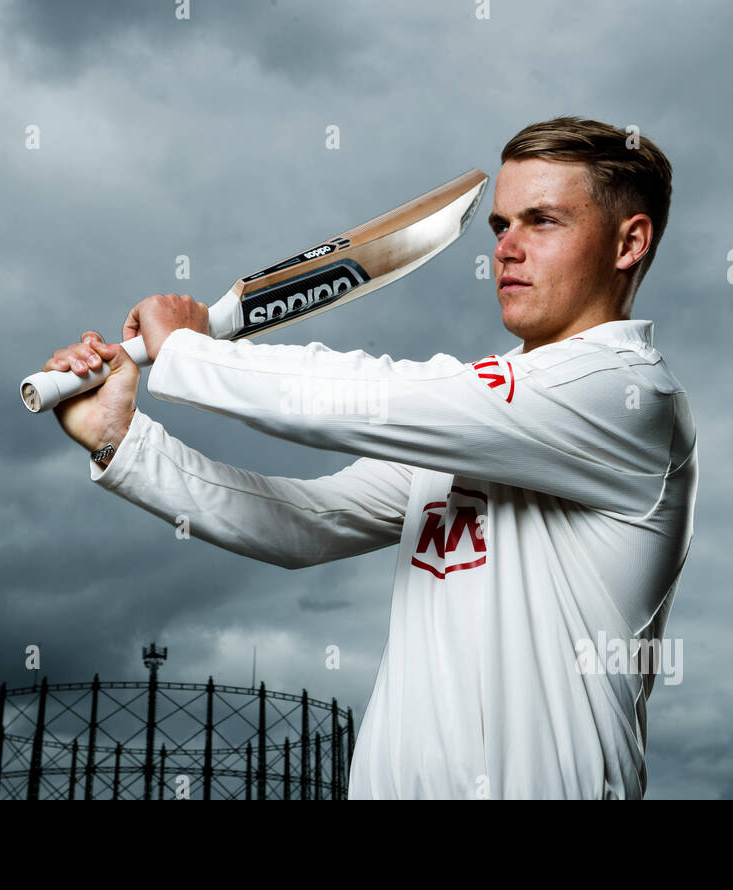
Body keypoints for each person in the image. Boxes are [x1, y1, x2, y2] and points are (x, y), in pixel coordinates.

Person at [41, 117, 697, 799]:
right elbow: (305, 524)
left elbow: (369, 398)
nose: (506, 250)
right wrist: (122, 438)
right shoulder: (474, 413)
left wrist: (190, 350)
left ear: (630, 242)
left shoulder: (627, 397)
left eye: (543, 221)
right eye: (501, 225)